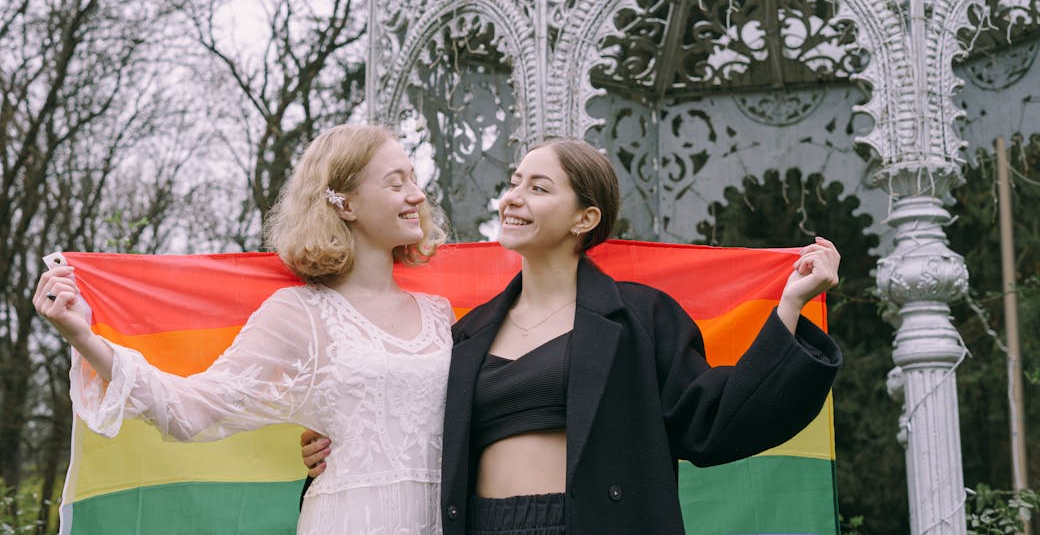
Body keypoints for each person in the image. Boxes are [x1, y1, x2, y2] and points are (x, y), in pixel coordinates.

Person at [301, 139, 841, 534]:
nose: (514, 197)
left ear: (585, 218)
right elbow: (410, 426)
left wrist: (790, 306)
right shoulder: (460, 335)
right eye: (514, 182)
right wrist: (337, 442)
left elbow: (715, 422)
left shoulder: (640, 320)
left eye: (539, 188)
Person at [33, 124, 454, 534]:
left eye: (414, 180)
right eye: (396, 183)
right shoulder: (299, 314)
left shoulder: (442, 316)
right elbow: (190, 411)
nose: (417, 194)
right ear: (344, 204)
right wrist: (82, 337)